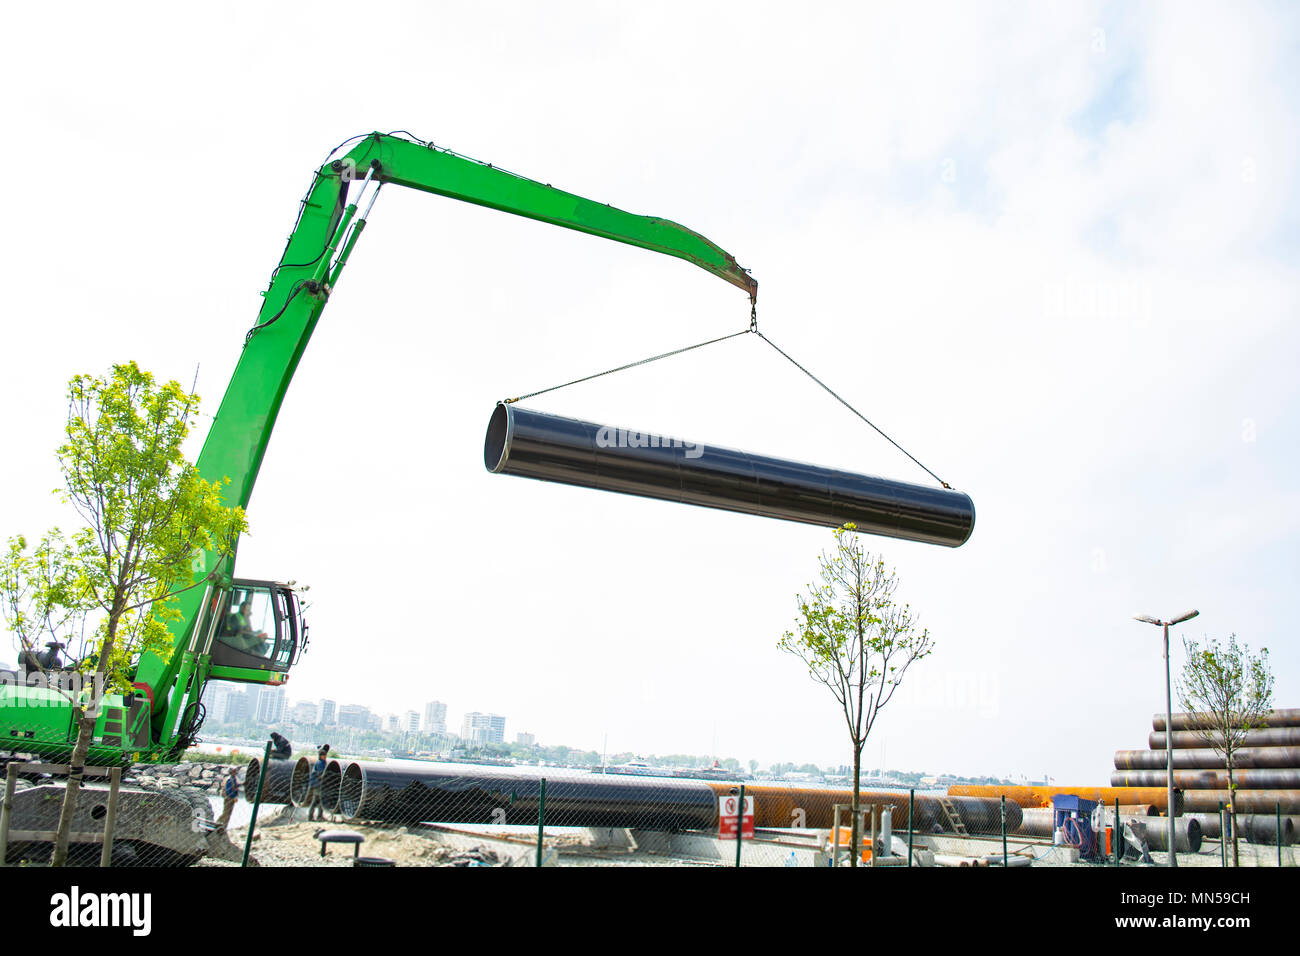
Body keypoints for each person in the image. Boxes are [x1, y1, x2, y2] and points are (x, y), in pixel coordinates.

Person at [306, 746, 330, 822]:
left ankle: (314, 816)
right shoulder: (320, 763)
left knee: (317, 800)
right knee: (318, 800)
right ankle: (317, 816)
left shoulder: (320, 762)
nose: (325, 757)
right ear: (321, 756)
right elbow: (321, 774)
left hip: (317, 784)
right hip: (317, 784)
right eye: (324, 756)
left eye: (325, 755)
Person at [216, 767, 240, 831]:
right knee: (226, 813)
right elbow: (229, 790)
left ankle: (223, 826)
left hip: (231, 798)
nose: (235, 772)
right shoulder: (230, 779)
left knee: (228, 813)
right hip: (229, 798)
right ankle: (218, 823)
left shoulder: (233, 779)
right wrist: (233, 797)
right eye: (234, 771)